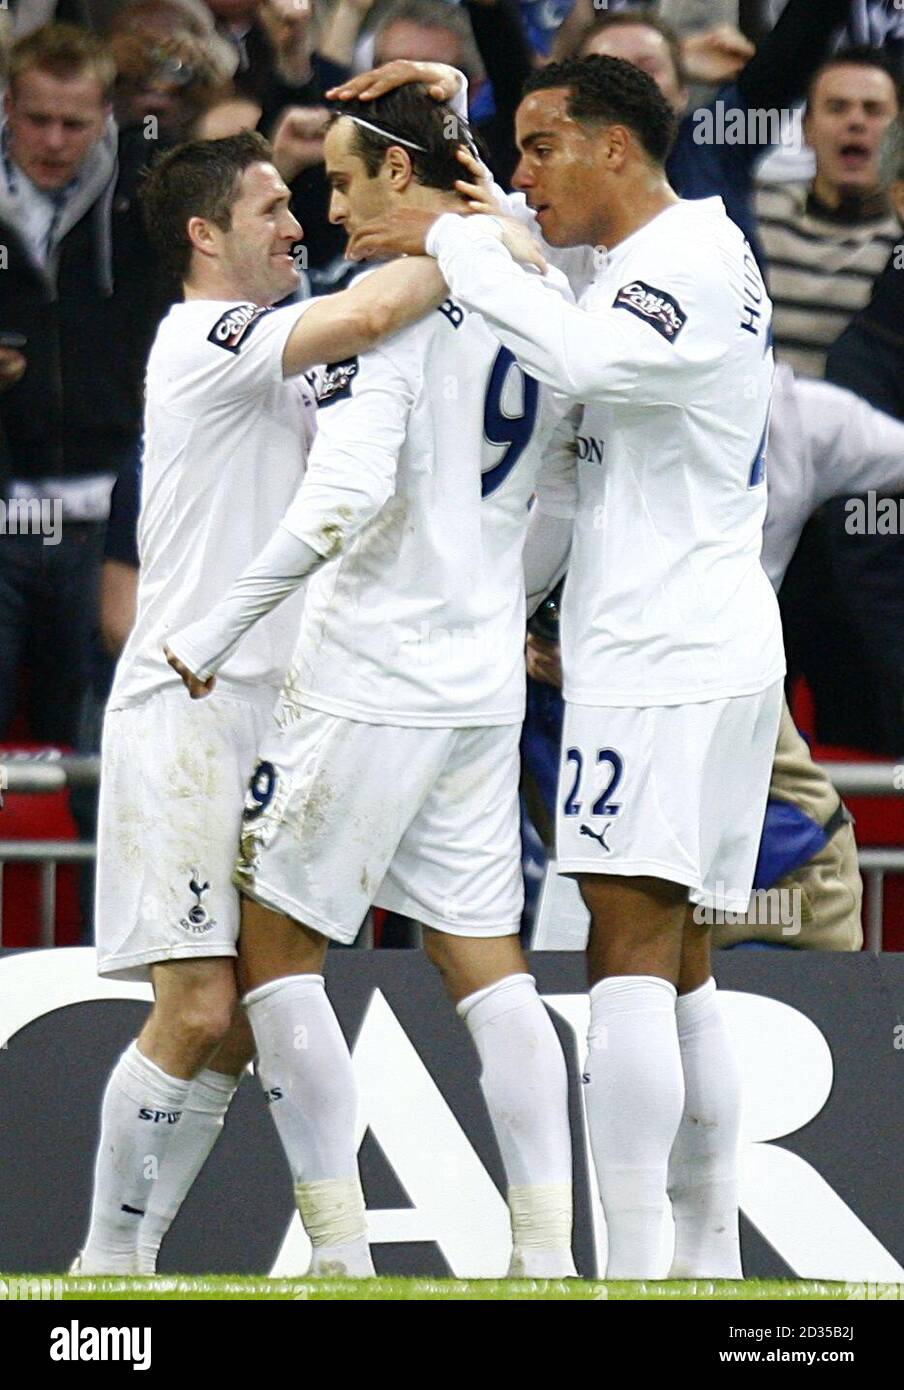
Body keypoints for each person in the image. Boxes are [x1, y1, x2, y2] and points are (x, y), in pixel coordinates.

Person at [345, 54, 785, 1280]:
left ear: (613, 149)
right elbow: (544, 271)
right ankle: (699, 1262)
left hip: (660, 653)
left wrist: (458, 244)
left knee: (625, 949)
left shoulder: (684, 264)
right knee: (681, 953)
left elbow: (575, 356)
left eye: (543, 149)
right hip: (696, 641)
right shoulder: (652, 256)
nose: (525, 174)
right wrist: (443, 120)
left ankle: (638, 1265)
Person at [166, 85, 577, 1280]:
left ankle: (339, 1255)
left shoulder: (383, 315)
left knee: (275, 950)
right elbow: (556, 494)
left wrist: (220, 625)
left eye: (343, 182)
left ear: (401, 174)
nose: (327, 208)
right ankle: (547, 1258)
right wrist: (508, 607)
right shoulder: (531, 285)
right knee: (484, 960)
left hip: (364, 678)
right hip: (476, 685)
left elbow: (341, 497)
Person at [76, 128, 446, 1276]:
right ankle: (102, 1262)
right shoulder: (202, 336)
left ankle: (130, 1256)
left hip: (269, 711)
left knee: (235, 1025)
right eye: (271, 207)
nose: (297, 226)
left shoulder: (267, 352)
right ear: (204, 233)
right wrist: (472, 234)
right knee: (192, 1008)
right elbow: (373, 315)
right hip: (184, 706)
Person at [0, 23, 174, 747]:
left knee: (101, 745)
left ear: (106, 114)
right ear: (6, 104)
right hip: (6, 512)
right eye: (37, 118)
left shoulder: (148, 199)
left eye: (74, 123)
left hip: (108, 517)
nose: (53, 140)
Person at [755, 46, 901, 378]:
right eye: (837, 108)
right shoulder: (755, 213)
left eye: (874, 110)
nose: (856, 122)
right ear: (806, 129)